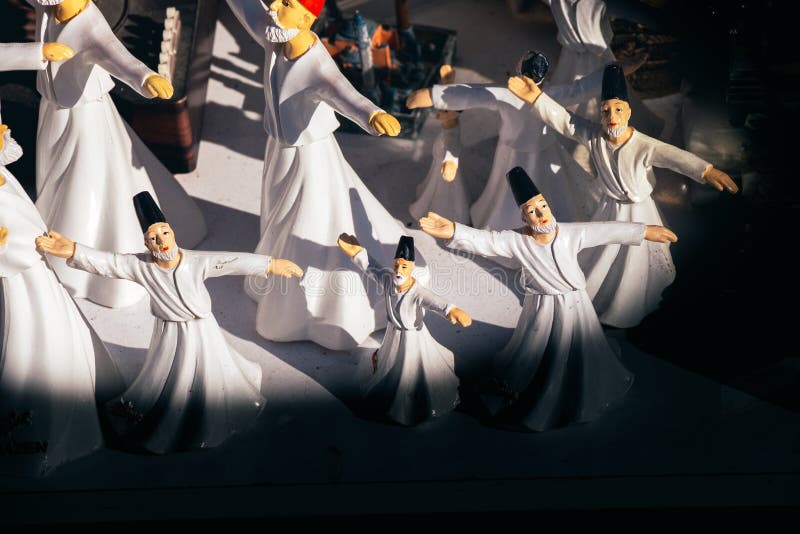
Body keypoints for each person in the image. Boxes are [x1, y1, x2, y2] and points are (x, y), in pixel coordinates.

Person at [35, 192, 303, 454]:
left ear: (172, 232)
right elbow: (109, 263)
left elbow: (232, 261)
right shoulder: (141, 266)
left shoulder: (196, 262)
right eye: (153, 237)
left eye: (164, 233)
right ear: (146, 243)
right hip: (170, 333)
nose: (160, 241)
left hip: (203, 328)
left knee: (214, 369)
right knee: (171, 376)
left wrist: (270, 264)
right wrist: (73, 250)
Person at [419, 167, 678, 431]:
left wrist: (643, 230)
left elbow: (605, 231)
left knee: (582, 346)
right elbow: (485, 241)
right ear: (523, 215)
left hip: (577, 306)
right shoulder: (516, 241)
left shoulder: (569, 233)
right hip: (542, 307)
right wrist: (453, 230)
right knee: (542, 348)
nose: (541, 214)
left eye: (543, 205)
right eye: (532, 210)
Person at [225, 0, 416, 351]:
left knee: (307, 217)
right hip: (278, 147)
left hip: (310, 154)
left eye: (285, 4)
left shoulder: (316, 64)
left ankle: (299, 304)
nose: (273, 8)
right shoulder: (275, 37)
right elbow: (245, 8)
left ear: (307, 16)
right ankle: (271, 261)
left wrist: (372, 115)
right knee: (277, 210)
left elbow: (344, 94)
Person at [507, 64, 738, 327]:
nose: (611, 116)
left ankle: (637, 299)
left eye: (618, 110)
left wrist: (705, 170)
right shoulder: (593, 136)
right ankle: (597, 293)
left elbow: (674, 157)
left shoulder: (642, 144)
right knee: (605, 254)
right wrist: (537, 98)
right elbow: (563, 120)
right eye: (606, 110)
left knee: (640, 259)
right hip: (610, 208)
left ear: (628, 111)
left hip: (640, 209)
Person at [22, 0, 207, 309]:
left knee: (85, 174)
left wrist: (147, 79)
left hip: (85, 112)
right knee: (53, 167)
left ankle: (77, 257)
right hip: (52, 105)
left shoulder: (90, 24)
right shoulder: (49, 8)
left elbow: (118, 57)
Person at [1, 109, 124, 476]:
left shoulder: (5, 179)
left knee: (51, 331)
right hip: (14, 276)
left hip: (31, 270)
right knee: (24, 332)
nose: (4, 130)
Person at [406, 60, 608, 229]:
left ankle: (549, 219)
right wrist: (433, 95)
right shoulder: (521, 94)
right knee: (506, 191)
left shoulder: (540, 95)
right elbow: (475, 93)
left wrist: (433, 96)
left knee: (549, 188)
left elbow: (475, 94)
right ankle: (506, 221)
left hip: (539, 151)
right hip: (514, 151)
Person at [337, 234, 471, 425]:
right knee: (391, 364)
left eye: (404, 267)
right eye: (397, 266)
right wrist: (358, 253)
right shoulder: (388, 280)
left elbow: (434, 301)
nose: (399, 270)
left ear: (412, 268)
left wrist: (451, 309)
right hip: (393, 333)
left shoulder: (417, 292)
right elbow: (371, 267)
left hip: (413, 337)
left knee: (415, 368)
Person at [408, 65, 470, 224]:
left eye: (445, 111)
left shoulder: (453, 131)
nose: (439, 114)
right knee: (432, 184)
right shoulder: (448, 126)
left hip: (446, 167)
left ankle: (442, 211)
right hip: (439, 161)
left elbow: (453, 147)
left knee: (443, 190)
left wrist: (450, 162)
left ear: (456, 112)